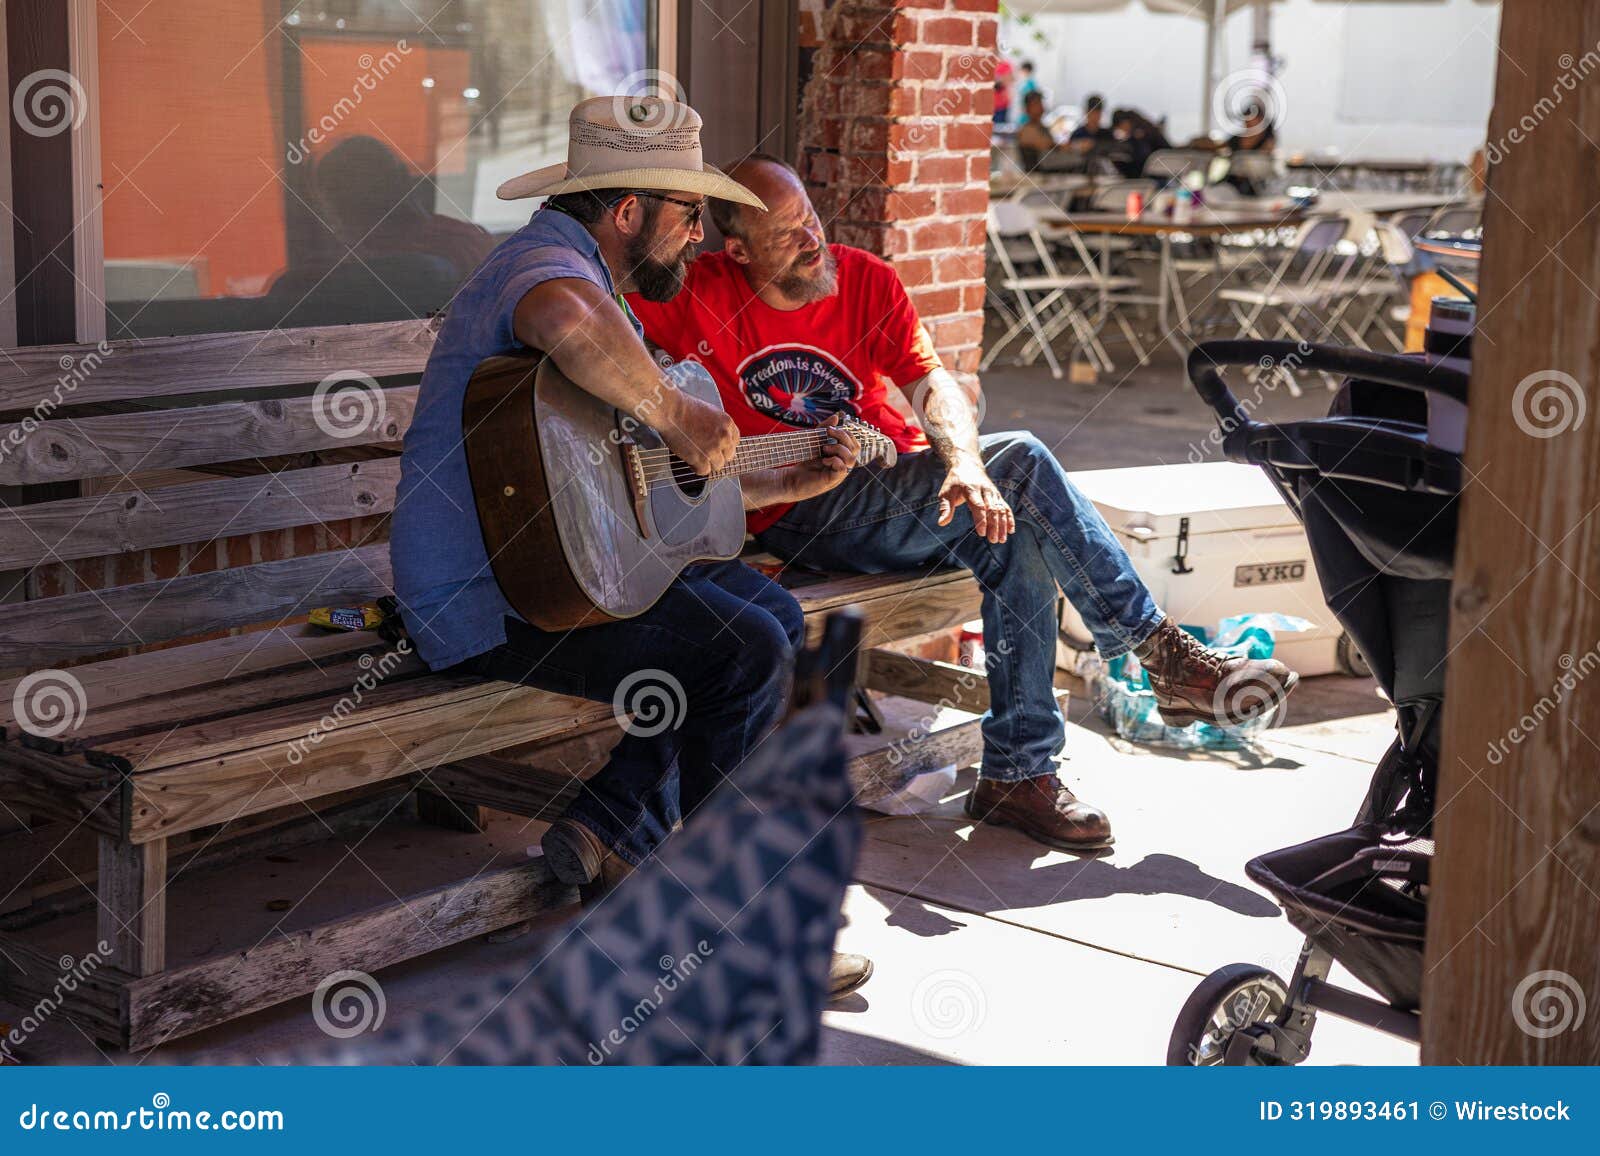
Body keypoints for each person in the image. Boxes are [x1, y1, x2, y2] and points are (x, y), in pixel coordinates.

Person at [630, 155, 1300, 853]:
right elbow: (591, 307)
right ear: (736, 249)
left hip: (891, 484)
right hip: (799, 509)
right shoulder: (696, 292)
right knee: (1027, 464)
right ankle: (1156, 656)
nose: (812, 239)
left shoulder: (864, 279)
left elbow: (932, 385)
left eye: (812, 218)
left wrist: (964, 463)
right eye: (787, 233)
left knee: (1010, 526)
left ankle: (1019, 773)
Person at [387, 99, 873, 997]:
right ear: (626, 213)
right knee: (745, 647)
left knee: (764, 609)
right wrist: (676, 410)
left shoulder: (600, 284)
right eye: (689, 215)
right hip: (487, 603)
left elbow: (635, 487)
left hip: (550, 578)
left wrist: (773, 485)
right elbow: (563, 322)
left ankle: (614, 824)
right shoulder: (545, 265)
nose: (698, 238)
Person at [1110, 107, 1171, 178]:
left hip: (1157, 174)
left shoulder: (1140, 134)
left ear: (1123, 122)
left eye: (1120, 128)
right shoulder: (1144, 129)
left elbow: (1142, 158)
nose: (1122, 131)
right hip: (1164, 170)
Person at [1014, 91, 1058, 170]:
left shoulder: (1044, 127)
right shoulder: (1026, 130)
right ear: (1027, 109)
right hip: (1036, 175)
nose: (1041, 107)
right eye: (1036, 104)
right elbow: (1046, 145)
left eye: (1041, 103)